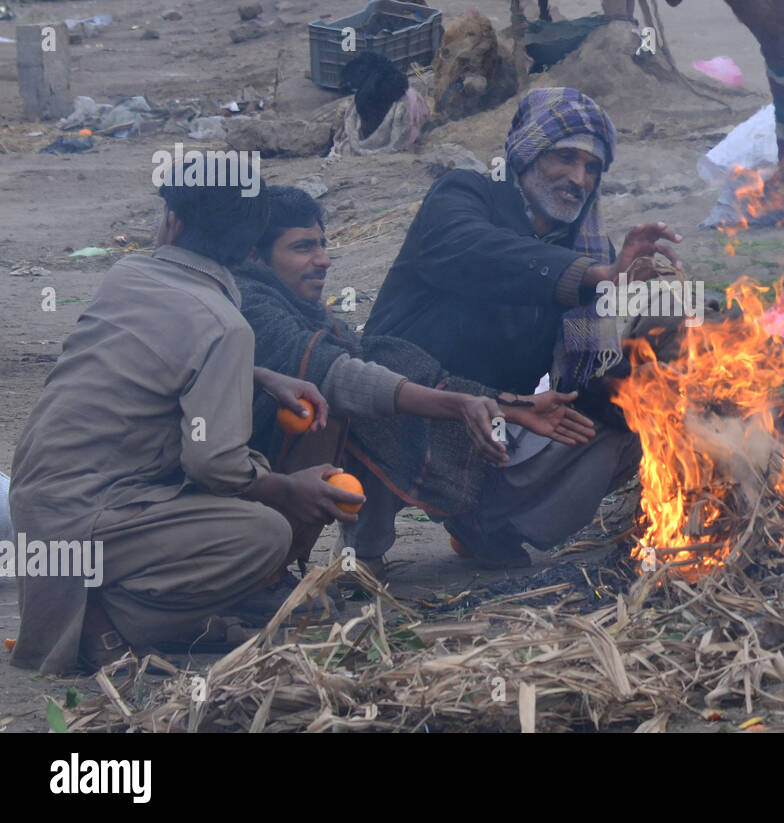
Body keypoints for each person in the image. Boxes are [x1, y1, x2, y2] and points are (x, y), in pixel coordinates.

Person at [7, 181, 364, 675]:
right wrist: (288, 488)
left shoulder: (129, 274)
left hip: (40, 502)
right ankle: (102, 621)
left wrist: (254, 374)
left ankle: (119, 603)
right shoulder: (224, 324)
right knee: (263, 534)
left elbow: (154, 359)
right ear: (250, 250)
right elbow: (213, 463)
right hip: (86, 518)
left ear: (172, 222)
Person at [365, 87, 685, 567]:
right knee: (380, 392)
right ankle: (361, 549)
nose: (578, 178)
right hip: (403, 403)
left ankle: (484, 524)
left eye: (591, 167)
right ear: (527, 154)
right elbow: (475, 250)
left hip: (497, 422)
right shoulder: (462, 194)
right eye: (565, 158)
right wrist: (593, 277)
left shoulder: (582, 248)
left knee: (632, 424)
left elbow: (584, 380)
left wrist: (653, 357)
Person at [234, 185, 598, 574]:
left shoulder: (308, 311)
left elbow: (378, 369)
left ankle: (364, 554)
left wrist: (512, 407)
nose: (323, 259)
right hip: (226, 479)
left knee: (385, 366)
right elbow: (339, 376)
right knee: (322, 406)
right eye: (303, 247)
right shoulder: (251, 304)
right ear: (256, 256)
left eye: (323, 244)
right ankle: (267, 571)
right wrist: (459, 405)